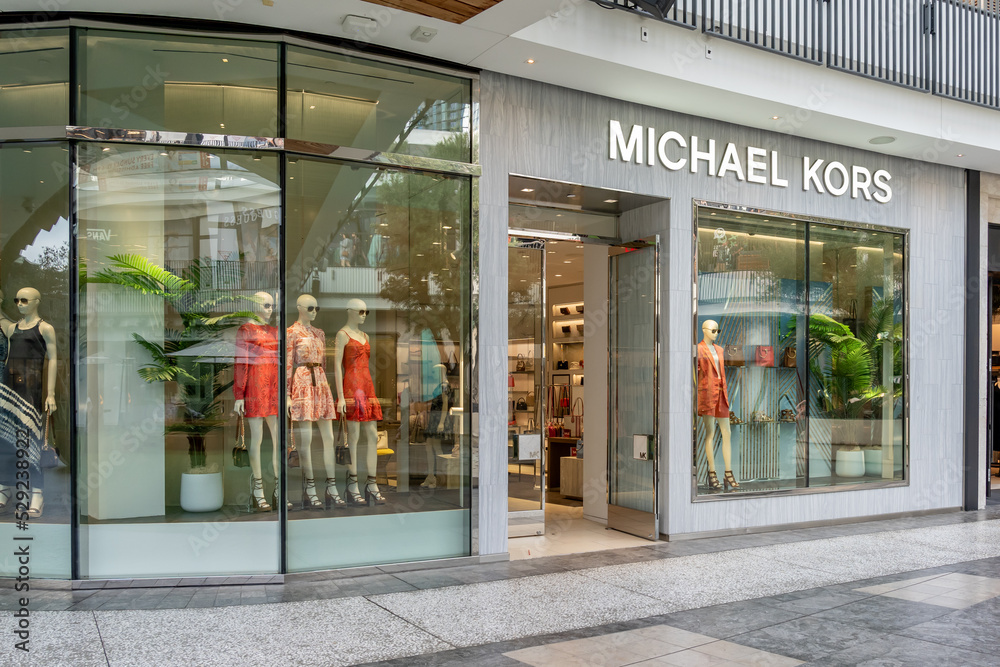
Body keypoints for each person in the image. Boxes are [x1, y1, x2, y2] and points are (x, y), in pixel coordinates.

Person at [0, 288, 58, 517]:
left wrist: (51, 393)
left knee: (31, 442)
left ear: (37, 301)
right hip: (7, 390)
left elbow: (53, 359)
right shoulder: (12, 328)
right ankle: (4, 486)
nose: (19, 304)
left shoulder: (45, 328)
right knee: (5, 439)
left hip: (31, 391)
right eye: (16, 300)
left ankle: (37, 493)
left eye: (24, 300)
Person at [287, 294, 344, 509]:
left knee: (328, 437)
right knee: (307, 440)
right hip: (302, 382)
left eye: (316, 308)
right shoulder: (291, 332)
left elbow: (325, 363)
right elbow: (287, 365)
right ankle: (309, 488)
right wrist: (287, 395)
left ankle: (331, 486)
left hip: (320, 382)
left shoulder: (320, 333)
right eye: (310, 307)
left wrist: (325, 385)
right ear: (299, 307)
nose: (313, 311)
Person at [334, 298, 385, 505]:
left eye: (366, 312)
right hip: (350, 387)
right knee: (353, 436)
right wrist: (340, 396)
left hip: (367, 387)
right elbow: (337, 366)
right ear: (351, 312)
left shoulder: (365, 335)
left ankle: (372, 483)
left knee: (372, 435)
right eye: (361, 311)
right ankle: (352, 484)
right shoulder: (341, 334)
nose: (364, 315)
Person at [233, 292, 281, 511]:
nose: (271, 309)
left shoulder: (274, 331)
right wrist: (239, 395)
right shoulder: (246, 330)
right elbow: (241, 362)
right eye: (267, 305)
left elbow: (281, 363)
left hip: (274, 390)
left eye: (273, 305)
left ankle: (279, 489)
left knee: (278, 441)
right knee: (257, 440)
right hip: (255, 387)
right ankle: (258, 490)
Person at [697, 319, 738, 491]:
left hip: (722, 393)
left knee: (727, 432)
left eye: (717, 331)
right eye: (713, 330)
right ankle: (712, 472)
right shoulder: (698, 349)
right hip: (707, 394)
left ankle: (728, 472)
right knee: (710, 433)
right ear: (704, 330)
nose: (715, 333)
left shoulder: (720, 350)